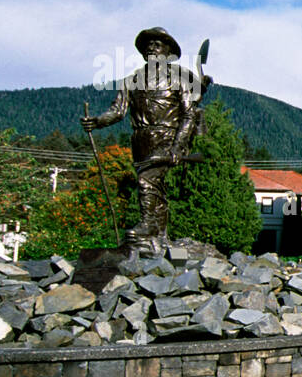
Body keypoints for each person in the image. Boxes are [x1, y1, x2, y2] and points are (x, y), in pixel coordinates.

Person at [81, 27, 208, 249]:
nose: (152, 48)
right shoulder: (131, 81)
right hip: (141, 140)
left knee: (146, 180)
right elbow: (118, 111)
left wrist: (178, 147)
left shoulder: (180, 80)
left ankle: (148, 224)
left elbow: (189, 115)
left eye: (157, 44)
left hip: (167, 138)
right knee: (156, 189)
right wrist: (98, 121)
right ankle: (159, 239)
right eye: (148, 45)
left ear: (168, 51)